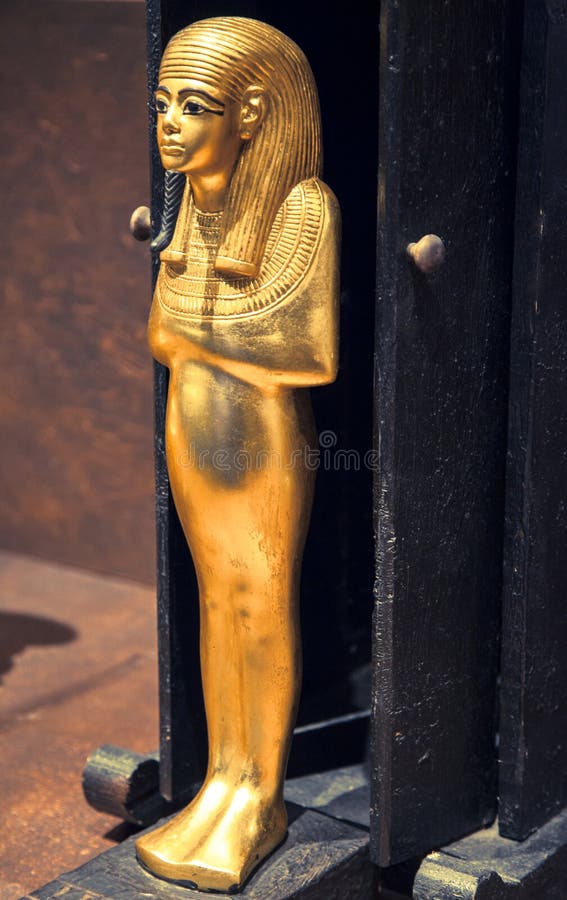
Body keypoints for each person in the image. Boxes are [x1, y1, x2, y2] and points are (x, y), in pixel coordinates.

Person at [135, 16, 340, 892]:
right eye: (162, 105)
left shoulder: (301, 207)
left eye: (194, 106)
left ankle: (260, 797)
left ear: (251, 114)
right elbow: (160, 333)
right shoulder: (190, 205)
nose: (170, 124)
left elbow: (308, 352)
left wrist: (200, 329)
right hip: (192, 429)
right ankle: (220, 781)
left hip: (259, 443)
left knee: (260, 606)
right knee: (214, 605)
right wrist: (215, 329)